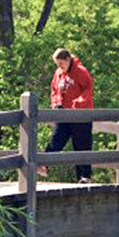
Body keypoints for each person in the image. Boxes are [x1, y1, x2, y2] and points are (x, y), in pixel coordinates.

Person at [38, 47, 94, 184]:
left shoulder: (80, 71)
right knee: (57, 139)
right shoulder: (58, 73)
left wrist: (78, 103)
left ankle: (84, 176)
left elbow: (88, 88)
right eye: (57, 65)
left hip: (81, 114)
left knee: (81, 144)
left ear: (68, 60)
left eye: (61, 64)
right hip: (64, 114)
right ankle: (43, 164)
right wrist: (56, 104)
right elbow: (54, 91)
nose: (60, 67)